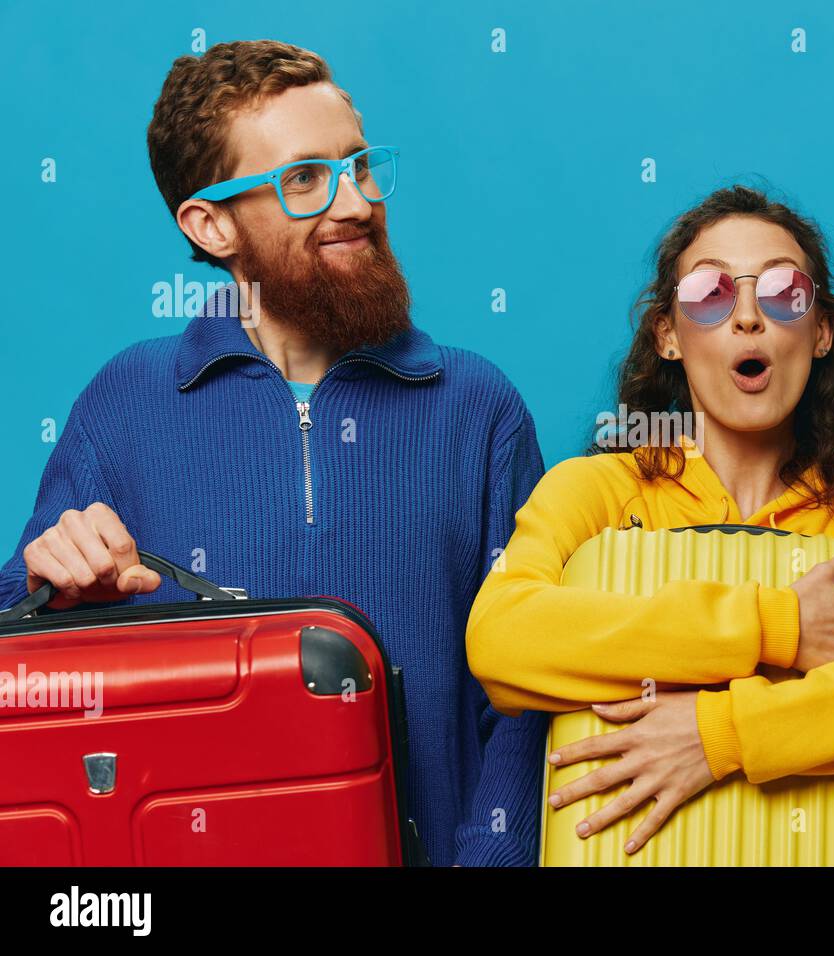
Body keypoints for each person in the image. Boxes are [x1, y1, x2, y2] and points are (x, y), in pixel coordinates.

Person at [0, 40, 548, 867]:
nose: (355, 201)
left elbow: (526, 689)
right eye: (305, 180)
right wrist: (54, 584)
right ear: (211, 224)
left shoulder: (477, 407)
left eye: (359, 165)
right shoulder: (125, 402)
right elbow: (22, 648)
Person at [467, 184, 834, 863]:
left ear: (821, 330)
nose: (746, 317)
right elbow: (503, 639)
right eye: (709, 293)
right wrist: (781, 629)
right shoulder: (594, 493)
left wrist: (726, 734)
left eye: (782, 292)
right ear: (668, 336)